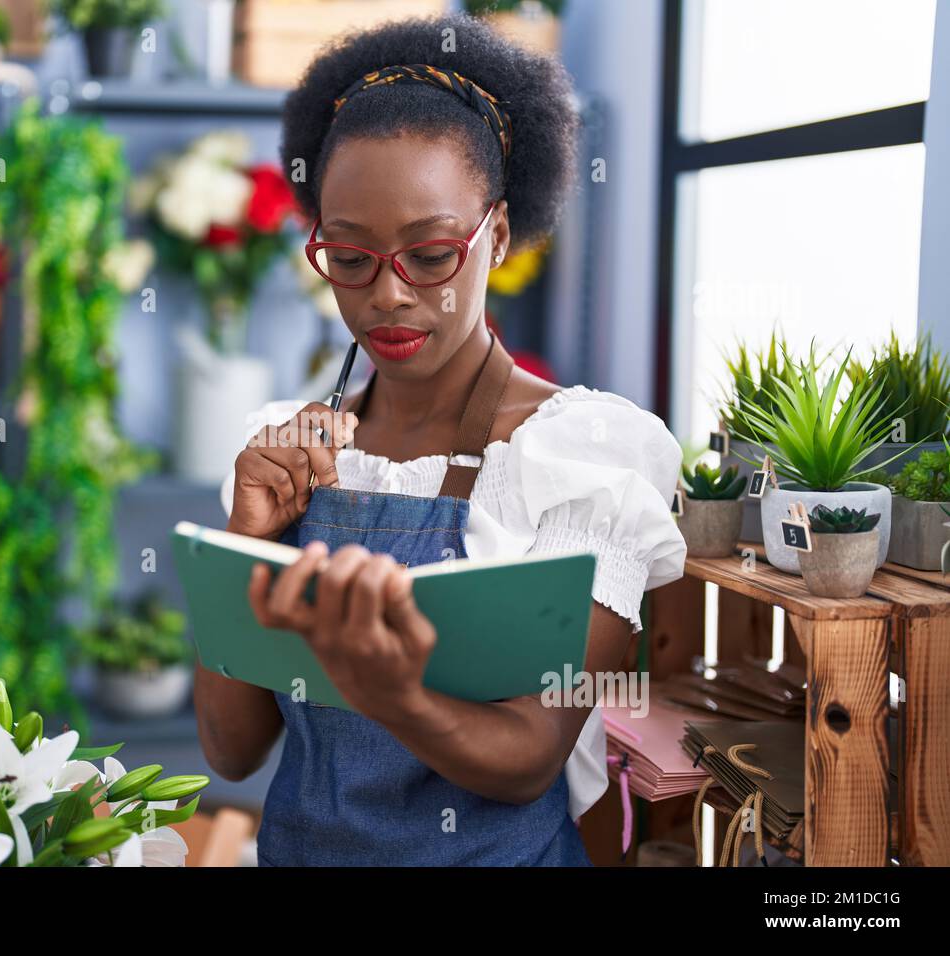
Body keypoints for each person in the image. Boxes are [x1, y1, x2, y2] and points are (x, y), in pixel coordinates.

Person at [194, 13, 687, 866]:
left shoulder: (583, 456)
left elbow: (529, 758)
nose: (388, 295)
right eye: (349, 257)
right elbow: (232, 751)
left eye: (430, 254)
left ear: (496, 235)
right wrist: (248, 542)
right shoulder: (283, 454)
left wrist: (391, 690)